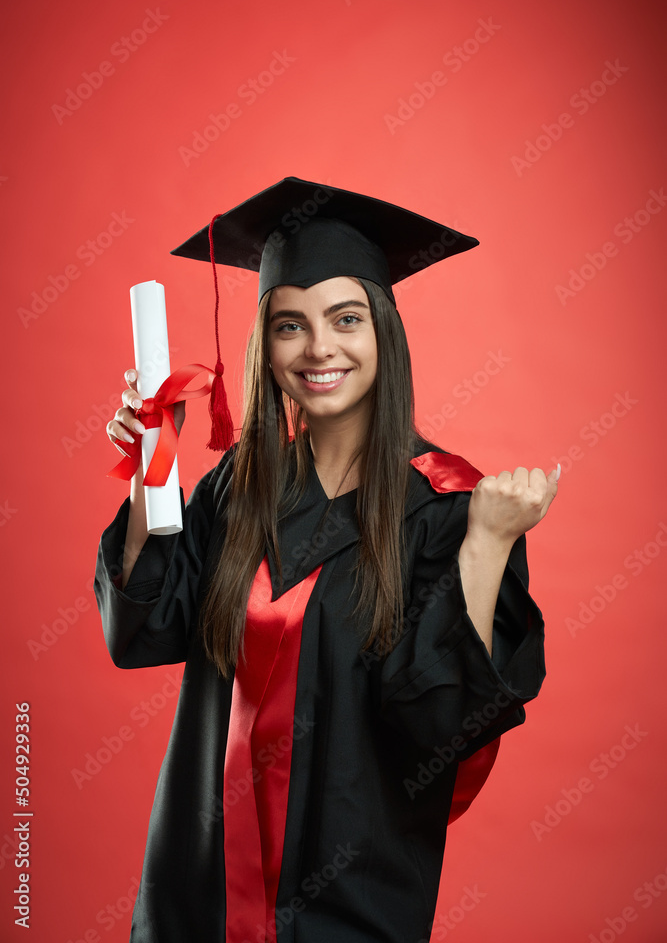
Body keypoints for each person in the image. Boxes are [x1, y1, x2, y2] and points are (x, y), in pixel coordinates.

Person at [95, 177, 558, 943]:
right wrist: (154, 461)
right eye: (288, 326)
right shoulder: (241, 486)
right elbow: (141, 632)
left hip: (349, 905)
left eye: (345, 319)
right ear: (263, 346)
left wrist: (486, 542)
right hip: (198, 896)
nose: (318, 349)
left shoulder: (448, 505)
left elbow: (439, 727)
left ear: (382, 330)